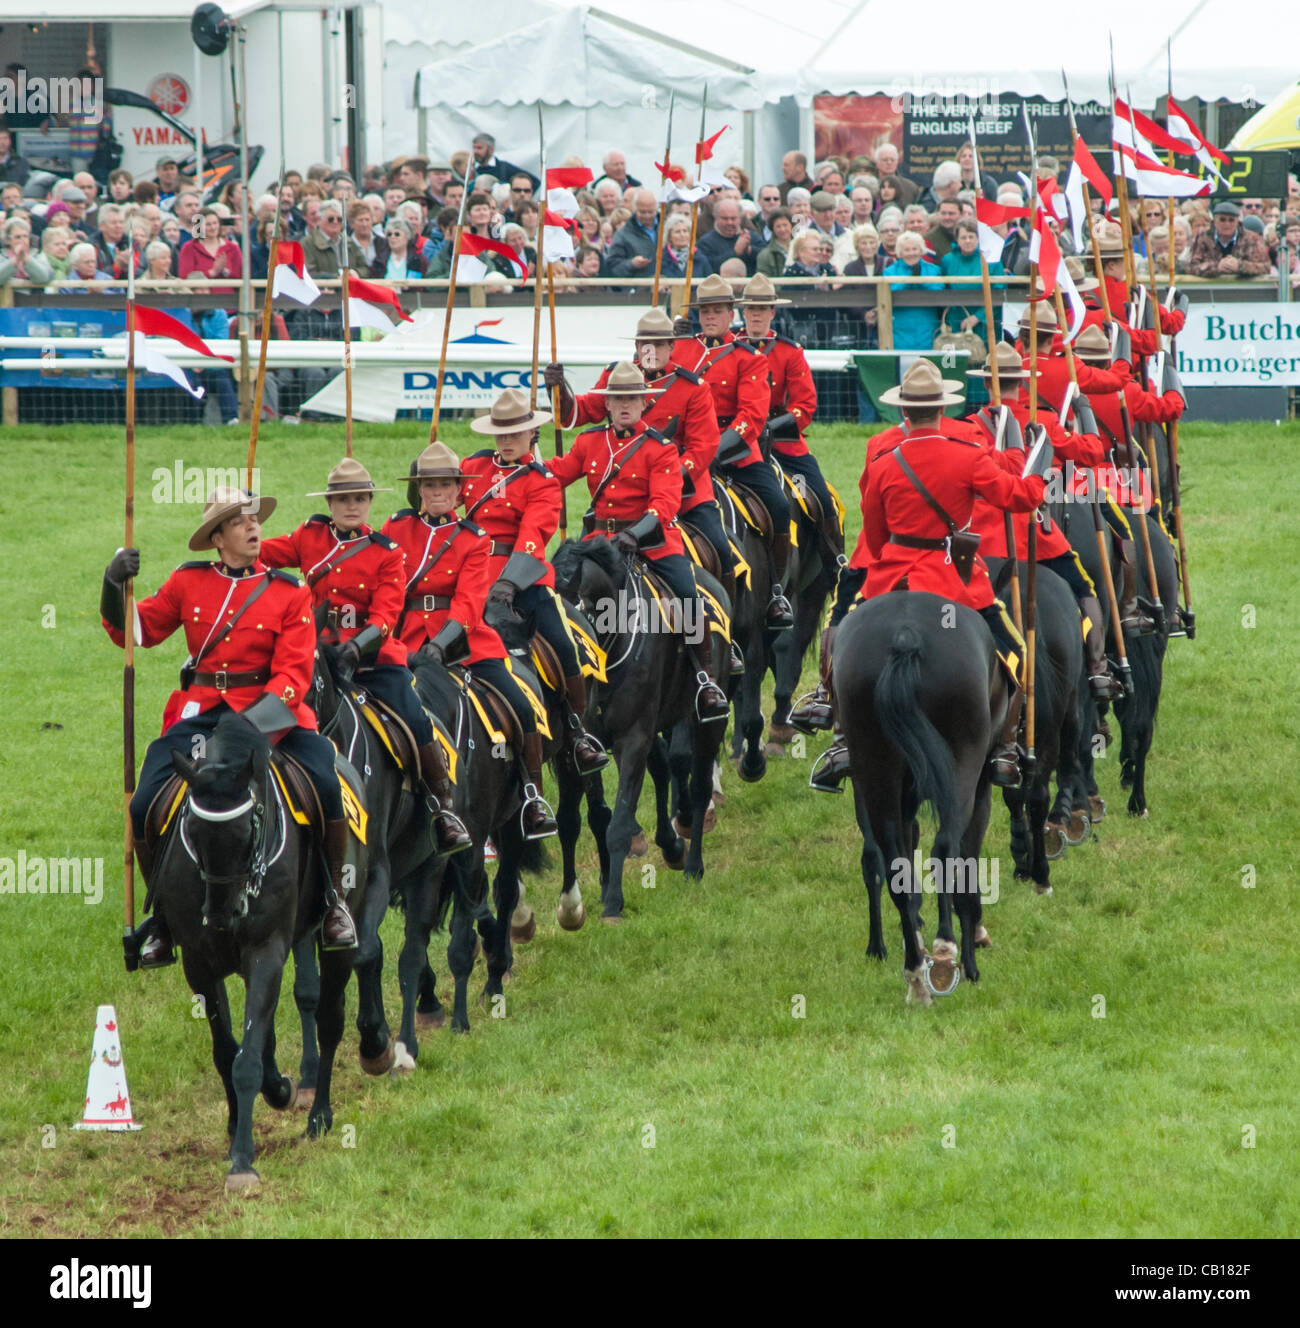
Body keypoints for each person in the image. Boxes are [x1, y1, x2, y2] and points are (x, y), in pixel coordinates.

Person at [100, 487, 358, 968]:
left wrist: (253, 723)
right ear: (217, 537)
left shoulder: (288, 590)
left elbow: (295, 673)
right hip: (201, 711)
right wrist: (113, 584)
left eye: (254, 519)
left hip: (271, 713)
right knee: (143, 802)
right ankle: (162, 919)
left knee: (325, 781)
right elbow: (136, 632)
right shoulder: (187, 582)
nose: (252, 526)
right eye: (239, 522)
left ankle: (334, 903)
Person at [811, 362, 1046, 792]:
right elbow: (1018, 497)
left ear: (904, 413)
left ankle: (841, 733)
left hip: (891, 576)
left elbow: (876, 536)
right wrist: (1037, 469)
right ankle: (1008, 746)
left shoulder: (883, 461)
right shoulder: (968, 455)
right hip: (951, 579)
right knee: (1013, 646)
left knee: (843, 629)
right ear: (942, 410)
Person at [258, 458, 472, 855]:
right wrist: (247, 526)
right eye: (342, 499)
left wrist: (357, 648)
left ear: (370, 501)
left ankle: (444, 807)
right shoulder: (310, 535)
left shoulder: (386, 552)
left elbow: (388, 613)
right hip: (314, 655)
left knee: (414, 717)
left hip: (371, 659)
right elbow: (261, 558)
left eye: (359, 498)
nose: (351, 506)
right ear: (330, 502)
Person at [384, 443, 557, 839]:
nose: (438, 492)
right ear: (420, 490)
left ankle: (532, 795)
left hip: (466, 642)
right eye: (430, 486)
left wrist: (441, 645)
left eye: (446, 484)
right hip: (407, 639)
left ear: (460, 490)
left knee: (519, 705)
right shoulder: (396, 528)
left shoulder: (474, 538)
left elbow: (467, 603)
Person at [546, 361, 730, 722]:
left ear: (645, 403)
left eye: (632, 397)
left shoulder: (660, 448)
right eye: (618, 398)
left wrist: (636, 532)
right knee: (555, 588)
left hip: (652, 542)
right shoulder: (589, 441)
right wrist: (528, 466)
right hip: (598, 540)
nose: (625, 404)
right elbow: (558, 473)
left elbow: (665, 504)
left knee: (688, 596)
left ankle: (705, 677)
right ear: (608, 405)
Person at [461, 390, 608, 775]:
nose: (508, 442)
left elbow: (533, 534)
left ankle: (576, 733)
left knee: (563, 646)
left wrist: (509, 582)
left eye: (516, 434)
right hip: (471, 578)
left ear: (531, 435)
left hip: (523, 580)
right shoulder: (472, 467)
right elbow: (445, 506)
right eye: (501, 434)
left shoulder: (541, 480)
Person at [688, 272, 793, 629]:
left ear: (731, 313)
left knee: (778, 506)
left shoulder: (748, 357)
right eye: (704, 311)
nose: (710, 317)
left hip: (734, 452)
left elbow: (752, 415)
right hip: (686, 450)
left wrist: (714, 451)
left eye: (717, 310)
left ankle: (777, 589)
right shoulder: (683, 350)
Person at [739, 272, 842, 569]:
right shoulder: (728, 348)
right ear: (743, 312)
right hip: (736, 439)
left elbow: (805, 405)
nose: (756, 315)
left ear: (773, 312)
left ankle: (832, 557)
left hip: (781, 440)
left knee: (821, 498)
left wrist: (773, 427)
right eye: (751, 309)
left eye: (762, 309)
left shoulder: (789, 352)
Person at [940, 219, 1000, 345]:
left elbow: (999, 292)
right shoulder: (947, 260)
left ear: (978, 238)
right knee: (953, 361)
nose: (967, 241)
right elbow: (943, 288)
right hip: (955, 319)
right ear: (957, 239)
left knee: (981, 359)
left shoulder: (992, 259)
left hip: (984, 320)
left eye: (971, 237)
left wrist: (978, 317)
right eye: (963, 237)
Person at [883, 231, 944, 350]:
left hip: (927, 324)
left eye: (915, 249)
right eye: (907, 250)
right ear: (900, 252)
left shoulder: (933, 269)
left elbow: (938, 290)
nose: (911, 253)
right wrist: (908, 280)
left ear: (921, 250)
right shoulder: (890, 272)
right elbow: (889, 292)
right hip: (900, 326)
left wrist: (921, 280)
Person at [1186, 199, 1270, 278]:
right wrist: (1216, 267)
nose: (1227, 224)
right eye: (1222, 220)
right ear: (1214, 221)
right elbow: (1190, 267)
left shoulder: (1252, 239)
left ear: (1237, 221)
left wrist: (1239, 266)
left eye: (1231, 220)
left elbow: (1265, 267)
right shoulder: (1202, 238)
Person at [178, 207, 242, 287]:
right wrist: (212, 272)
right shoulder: (189, 248)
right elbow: (185, 278)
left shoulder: (233, 248)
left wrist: (224, 271)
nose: (213, 228)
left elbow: (241, 277)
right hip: (200, 297)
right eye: (208, 224)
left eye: (215, 223)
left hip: (228, 297)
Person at [697, 197, 758, 277]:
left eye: (733, 218)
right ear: (716, 218)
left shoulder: (751, 237)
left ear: (740, 218)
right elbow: (708, 267)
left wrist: (749, 250)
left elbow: (764, 258)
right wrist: (735, 252)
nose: (729, 222)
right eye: (725, 218)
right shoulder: (705, 243)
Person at [606, 188, 659, 276]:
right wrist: (631, 264)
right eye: (642, 212)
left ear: (656, 209)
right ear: (634, 210)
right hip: (638, 287)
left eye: (650, 212)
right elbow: (612, 267)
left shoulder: (667, 228)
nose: (647, 216)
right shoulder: (622, 235)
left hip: (666, 286)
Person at [658, 214, 711, 280]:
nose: (682, 235)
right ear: (669, 236)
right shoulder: (660, 258)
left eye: (685, 231)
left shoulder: (700, 258)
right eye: (677, 232)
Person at [756, 208, 794, 277]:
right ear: (772, 229)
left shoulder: (801, 248)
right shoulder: (765, 255)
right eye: (778, 226)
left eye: (785, 225)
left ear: (791, 225)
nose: (782, 229)